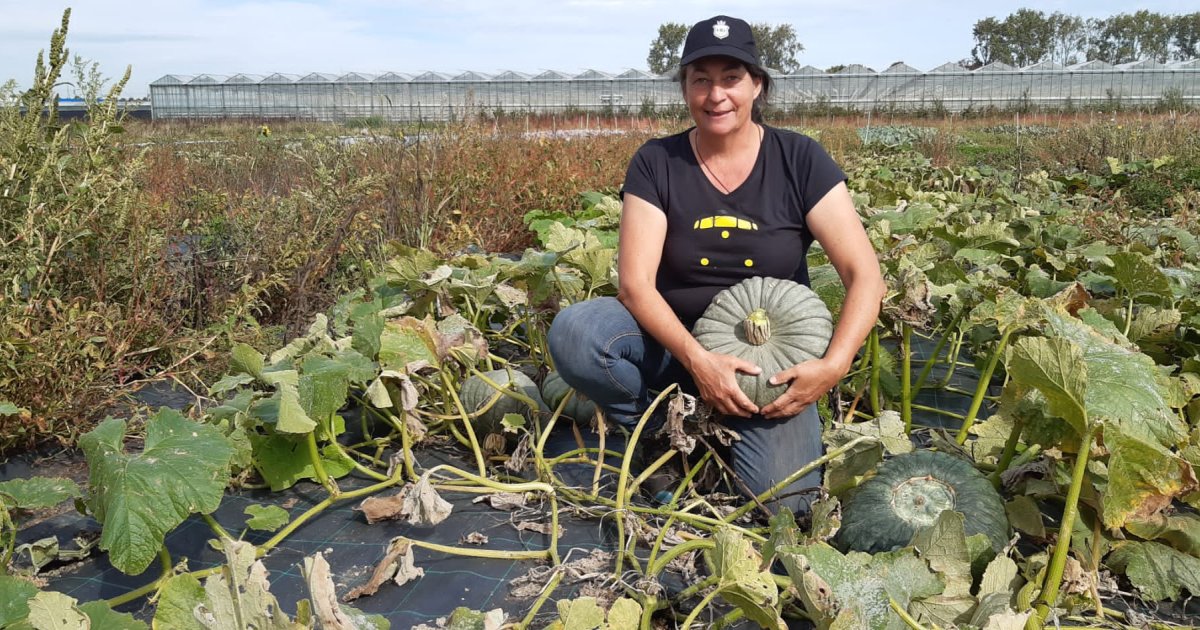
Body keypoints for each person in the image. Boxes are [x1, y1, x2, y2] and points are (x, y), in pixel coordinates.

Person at [547, 15, 884, 515]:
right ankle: (661, 435)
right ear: (685, 88)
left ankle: (724, 434)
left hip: (766, 368)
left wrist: (833, 367)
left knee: (783, 506)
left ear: (757, 85)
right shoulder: (658, 162)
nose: (715, 94)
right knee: (576, 333)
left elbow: (865, 276)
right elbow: (636, 286)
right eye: (700, 79)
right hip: (673, 346)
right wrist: (700, 363)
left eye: (731, 77)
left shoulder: (800, 159)